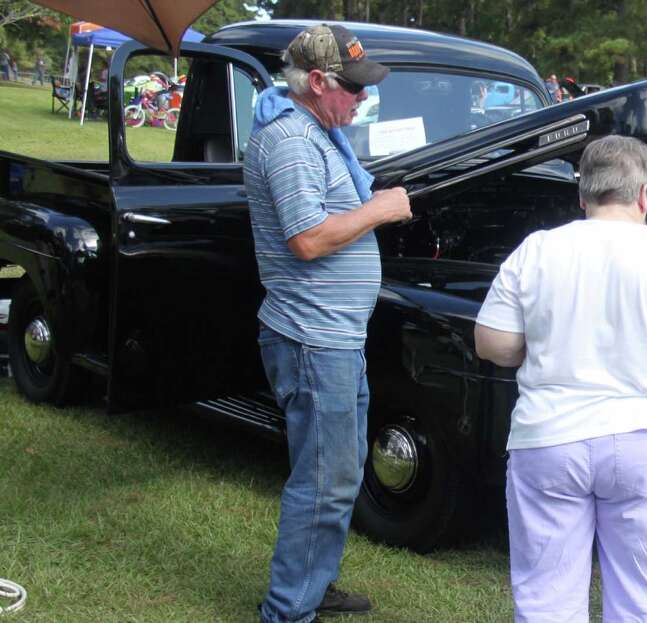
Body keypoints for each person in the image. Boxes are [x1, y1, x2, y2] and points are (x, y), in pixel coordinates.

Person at [474, 135, 647, 622]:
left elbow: (493, 344)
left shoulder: (537, 250)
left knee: (545, 598)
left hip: (549, 438)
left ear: (583, 196)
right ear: (644, 195)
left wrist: (534, 345)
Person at [243, 24, 412, 623]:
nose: (362, 99)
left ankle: (314, 585)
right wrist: (379, 209)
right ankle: (290, 611)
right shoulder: (292, 141)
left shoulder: (317, 132)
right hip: (314, 340)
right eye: (353, 88)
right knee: (323, 482)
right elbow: (308, 240)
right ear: (316, 82)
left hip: (332, 337)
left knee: (336, 473)